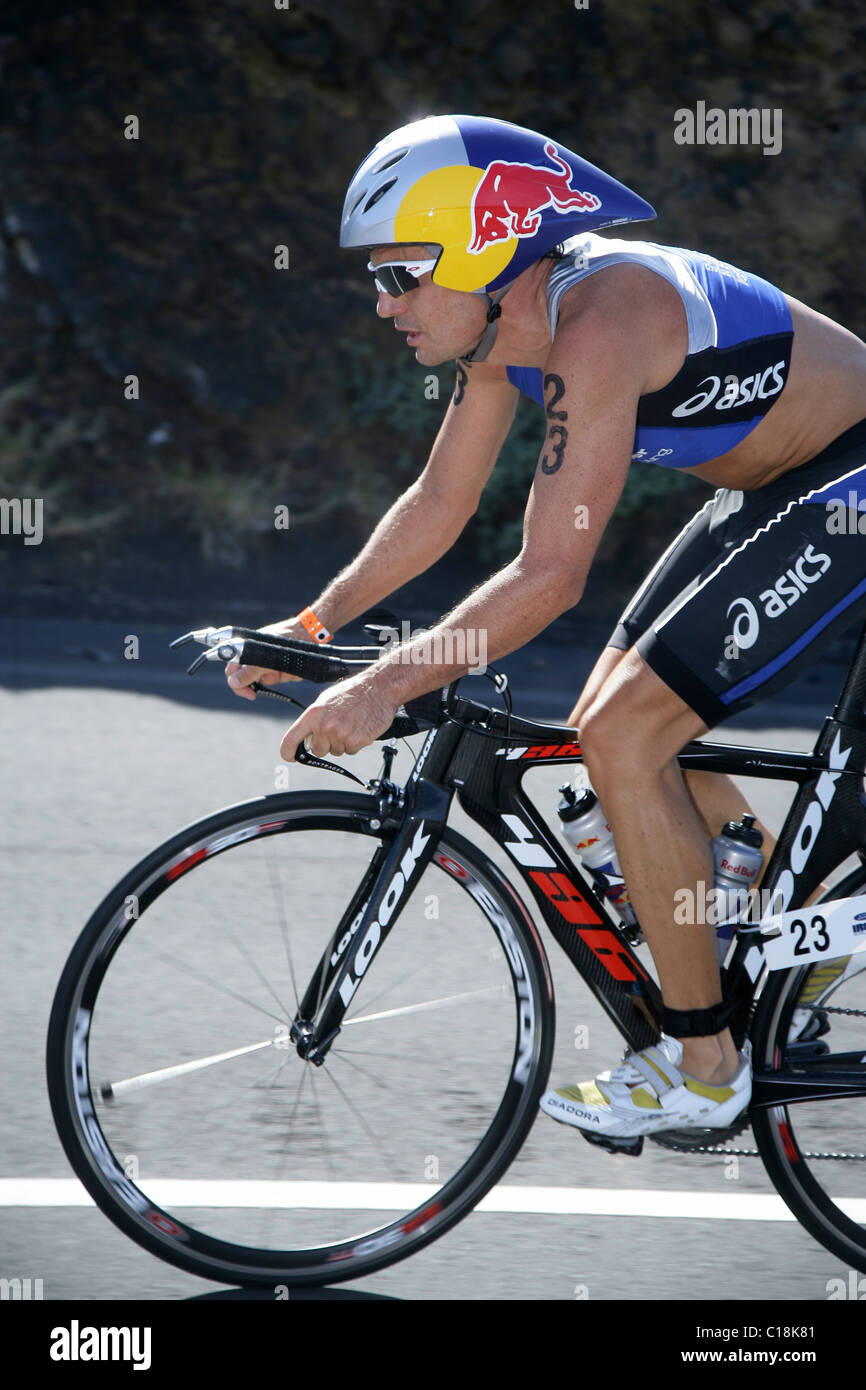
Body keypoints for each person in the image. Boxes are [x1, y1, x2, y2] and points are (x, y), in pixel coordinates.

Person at [226, 114, 866, 1144]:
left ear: (484, 247)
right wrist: (311, 622)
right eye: (373, 278)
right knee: (600, 723)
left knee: (625, 733)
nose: (382, 303)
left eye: (399, 272)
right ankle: (750, 896)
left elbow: (549, 575)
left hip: (846, 486)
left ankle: (704, 1070)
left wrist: (384, 684)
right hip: (775, 486)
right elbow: (439, 501)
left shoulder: (599, 321)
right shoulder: (499, 333)